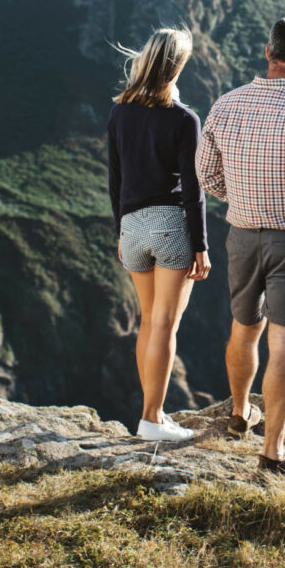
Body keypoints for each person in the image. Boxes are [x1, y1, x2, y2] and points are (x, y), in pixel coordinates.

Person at [196, 17, 285, 473]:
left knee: (243, 328)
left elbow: (206, 176)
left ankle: (240, 413)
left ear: (267, 51)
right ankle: (273, 453)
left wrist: (241, 197)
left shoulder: (226, 105)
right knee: (284, 349)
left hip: (241, 236)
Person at [107, 27, 211, 442]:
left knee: (148, 323)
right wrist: (201, 245)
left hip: (131, 228)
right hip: (170, 227)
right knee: (166, 325)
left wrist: (121, 230)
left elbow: (115, 179)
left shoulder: (118, 112)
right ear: (177, 66)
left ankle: (152, 415)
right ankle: (152, 420)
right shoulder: (184, 119)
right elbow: (193, 188)